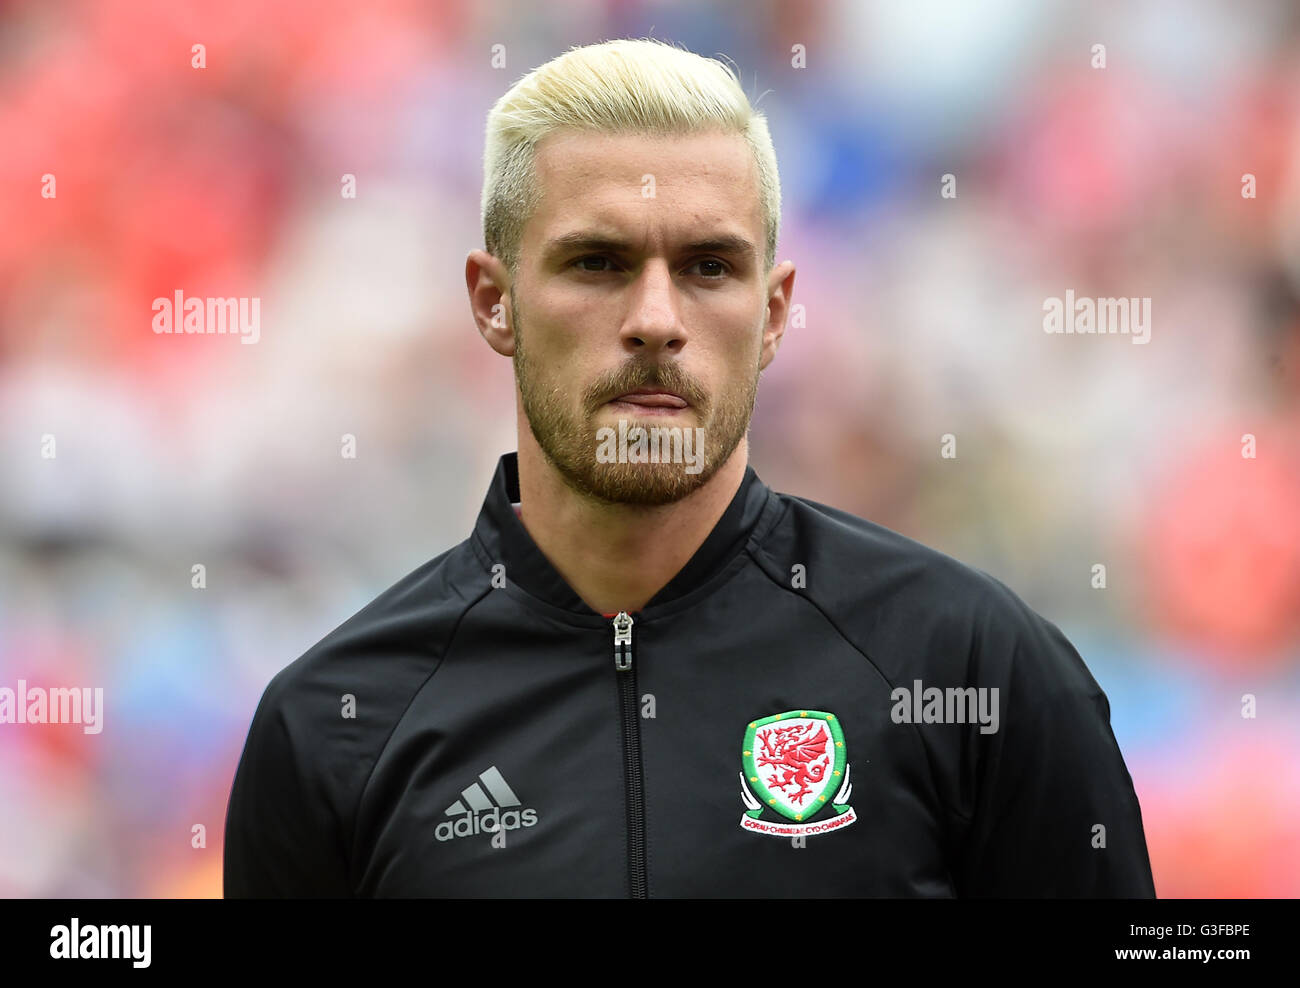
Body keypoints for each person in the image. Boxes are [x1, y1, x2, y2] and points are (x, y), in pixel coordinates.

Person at [223, 37, 1156, 897]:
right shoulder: (334, 725)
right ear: (494, 301)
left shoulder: (974, 667)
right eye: (597, 263)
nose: (656, 318)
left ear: (777, 311)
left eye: (710, 267)